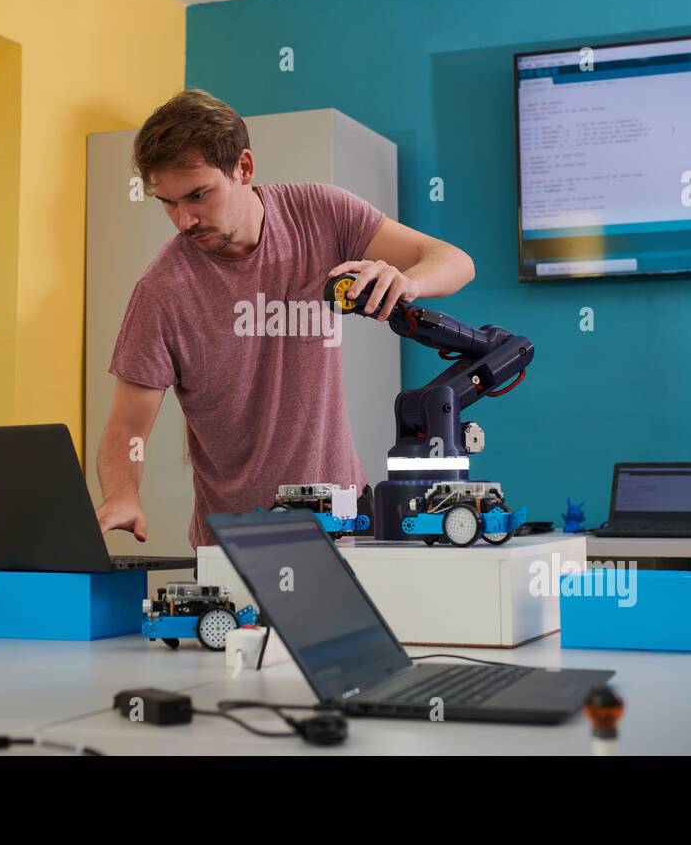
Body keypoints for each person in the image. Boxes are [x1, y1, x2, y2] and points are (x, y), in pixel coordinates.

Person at [96, 89, 474, 549]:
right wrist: (122, 494)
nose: (184, 221)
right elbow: (127, 427)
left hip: (345, 520)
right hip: (237, 543)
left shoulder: (321, 214)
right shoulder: (161, 291)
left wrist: (406, 282)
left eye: (198, 195)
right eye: (168, 203)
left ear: (244, 168)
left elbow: (452, 261)